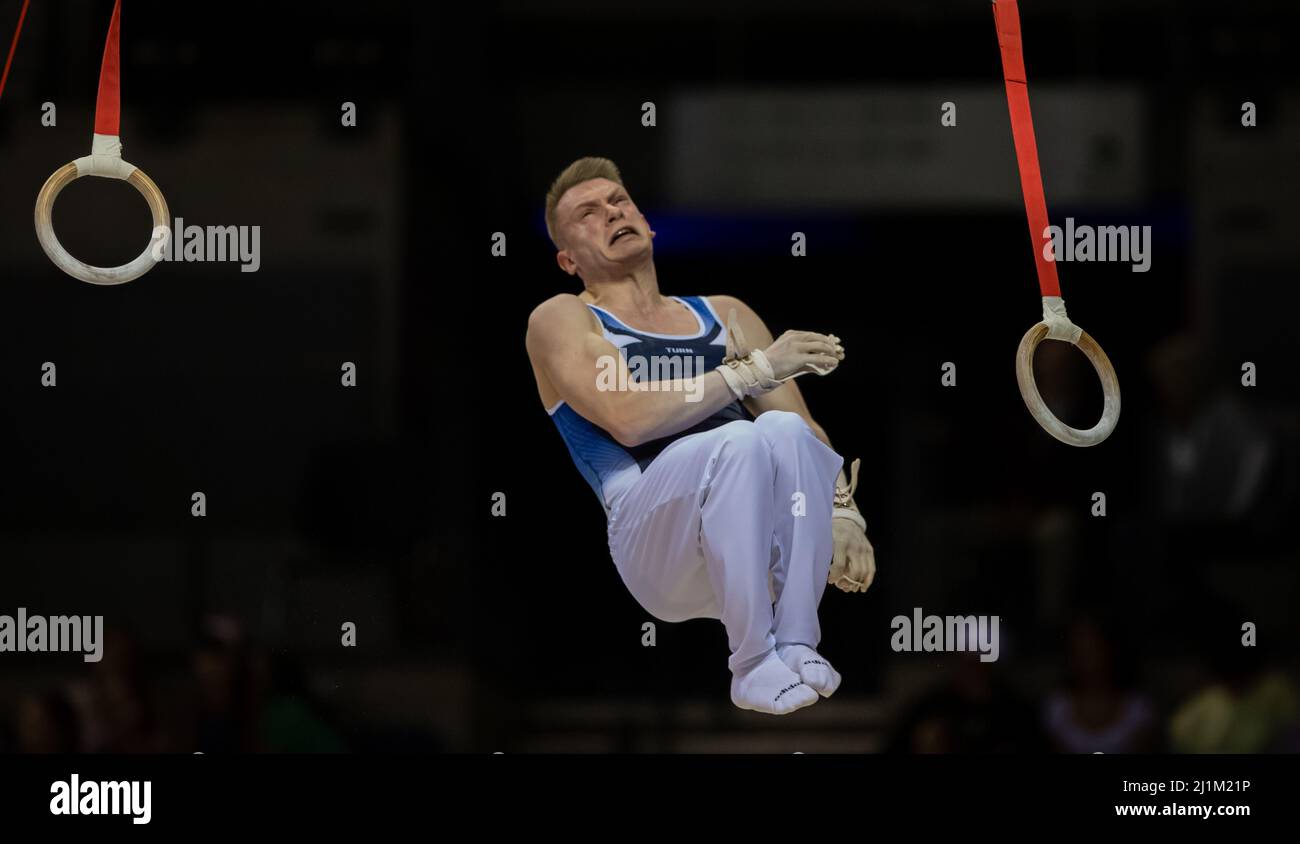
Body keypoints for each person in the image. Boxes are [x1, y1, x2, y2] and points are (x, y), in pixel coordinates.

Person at [525, 157, 876, 715]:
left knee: (780, 428)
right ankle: (752, 664)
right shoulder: (565, 318)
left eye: (618, 201)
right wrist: (752, 369)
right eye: (587, 214)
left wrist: (842, 514)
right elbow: (628, 417)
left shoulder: (725, 313)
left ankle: (796, 642)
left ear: (648, 220)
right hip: (653, 540)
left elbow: (803, 429)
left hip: (750, 545)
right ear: (567, 259)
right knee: (736, 441)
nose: (611, 212)